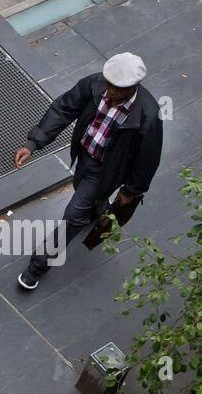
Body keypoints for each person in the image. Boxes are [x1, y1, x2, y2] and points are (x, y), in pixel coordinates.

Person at [14, 52, 163, 290]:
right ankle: (97, 209)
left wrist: (131, 191)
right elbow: (63, 109)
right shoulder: (94, 84)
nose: (112, 93)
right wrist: (34, 143)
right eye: (110, 86)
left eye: (119, 89)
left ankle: (37, 267)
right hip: (85, 156)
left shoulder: (148, 115)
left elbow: (148, 159)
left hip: (107, 171)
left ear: (135, 86)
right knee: (83, 193)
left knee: (72, 216)